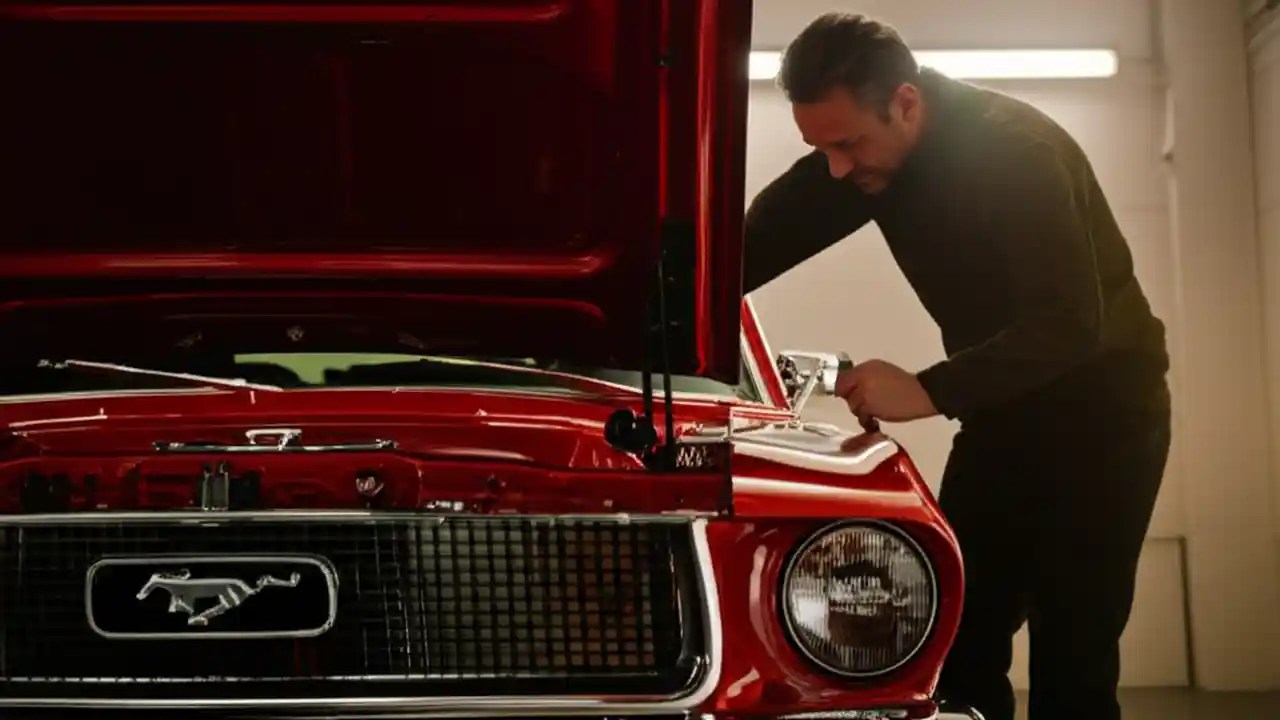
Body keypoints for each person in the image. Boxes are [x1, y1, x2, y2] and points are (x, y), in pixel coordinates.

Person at [742, 13, 1172, 720]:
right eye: (822, 149)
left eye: (849, 143)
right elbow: (742, 253)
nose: (838, 169)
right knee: (953, 637)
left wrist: (925, 390)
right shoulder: (855, 161)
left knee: (1074, 651)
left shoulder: (1017, 153)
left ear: (906, 103)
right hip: (1003, 414)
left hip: (1106, 420)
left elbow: (1068, 326)